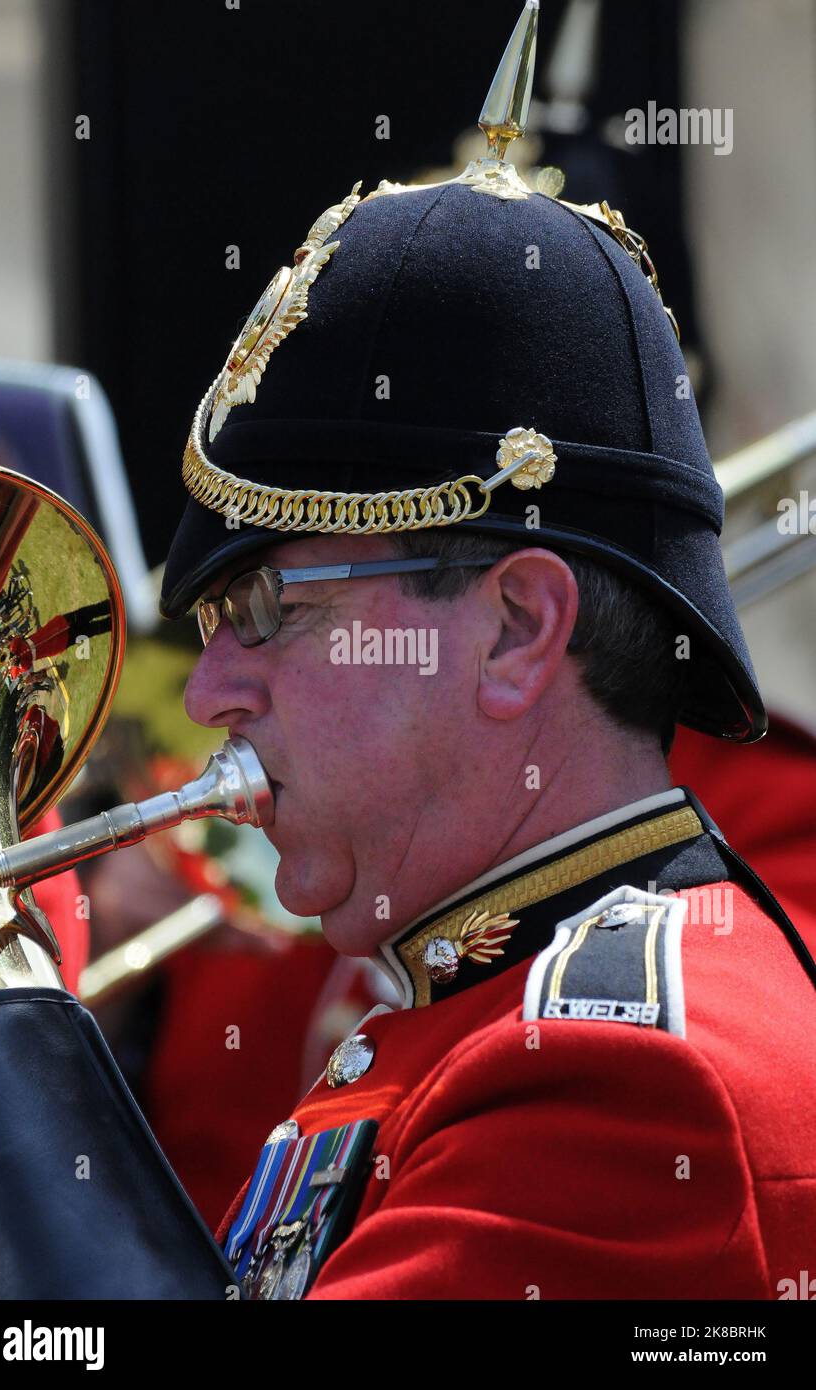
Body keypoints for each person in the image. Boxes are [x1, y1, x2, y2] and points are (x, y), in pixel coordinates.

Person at [157, 2, 816, 1299]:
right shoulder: (472, 994)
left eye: (271, 611)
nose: (208, 686)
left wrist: (14, 1062)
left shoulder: (623, 1073)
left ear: (518, 629)